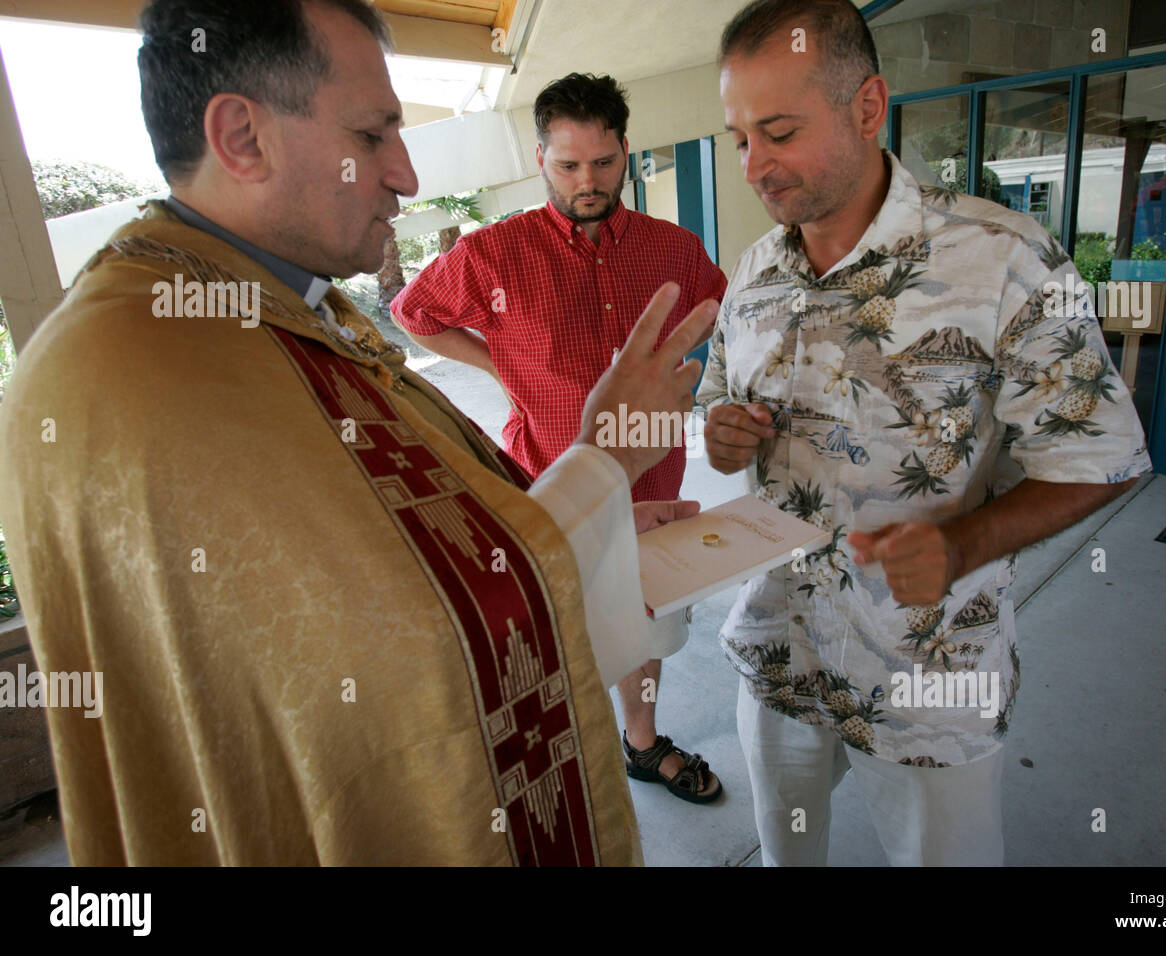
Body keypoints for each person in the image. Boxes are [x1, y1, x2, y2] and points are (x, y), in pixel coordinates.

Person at [0, 0, 716, 865]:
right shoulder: (131, 367)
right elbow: (386, 675)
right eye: (375, 135)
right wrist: (598, 459)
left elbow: (423, 543)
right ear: (242, 136)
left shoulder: (301, 307)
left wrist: (596, 515)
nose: (408, 175)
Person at [699, 0, 1151, 866]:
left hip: (928, 671)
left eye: (780, 131)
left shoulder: (1001, 257)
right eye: (739, 137)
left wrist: (963, 542)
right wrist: (725, 433)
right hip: (779, 648)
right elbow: (722, 398)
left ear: (867, 107)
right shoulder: (755, 272)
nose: (756, 165)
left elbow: (1104, 457)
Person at [391, 74, 728, 803]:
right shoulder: (492, 254)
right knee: (546, 627)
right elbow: (412, 311)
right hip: (543, 480)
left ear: (626, 153)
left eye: (603, 163)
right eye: (568, 164)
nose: (587, 180)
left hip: (654, 477)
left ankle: (641, 744)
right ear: (540, 156)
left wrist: (698, 384)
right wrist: (499, 363)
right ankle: (560, 754)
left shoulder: (674, 248)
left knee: (645, 622)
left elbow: (715, 316)